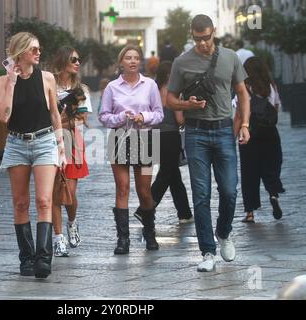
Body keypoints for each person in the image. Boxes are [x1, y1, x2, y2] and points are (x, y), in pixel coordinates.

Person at [166, 15, 251, 272]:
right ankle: (207, 252)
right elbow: (170, 99)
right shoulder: (181, 62)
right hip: (196, 133)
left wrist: (244, 124)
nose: (203, 43)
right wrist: (187, 105)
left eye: (207, 37)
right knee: (201, 195)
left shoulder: (230, 57)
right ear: (191, 35)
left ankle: (223, 232)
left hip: (224, 131)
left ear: (214, 32)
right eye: (197, 38)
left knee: (229, 191)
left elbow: (243, 93)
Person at [0, 32, 66, 278]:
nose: (38, 53)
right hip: (16, 143)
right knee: (21, 203)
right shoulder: (3, 81)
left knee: (44, 201)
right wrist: (12, 82)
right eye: (34, 49)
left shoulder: (47, 78)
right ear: (20, 52)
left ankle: (43, 259)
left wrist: (61, 147)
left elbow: (56, 115)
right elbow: (3, 116)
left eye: (39, 49)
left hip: (45, 142)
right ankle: (26, 259)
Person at [99, 45, 164, 254]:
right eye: (128, 58)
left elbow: (159, 114)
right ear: (121, 62)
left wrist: (143, 117)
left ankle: (150, 232)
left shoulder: (150, 85)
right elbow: (103, 116)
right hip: (119, 139)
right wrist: (120, 117)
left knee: (145, 191)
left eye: (136, 58)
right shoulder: (111, 87)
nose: (133, 61)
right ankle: (123, 240)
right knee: (122, 188)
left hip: (145, 139)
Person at [134, 61, 193, 225]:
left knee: (174, 176)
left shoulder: (150, 89)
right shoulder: (174, 92)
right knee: (166, 173)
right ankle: (144, 209)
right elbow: (180, 119)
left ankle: (185, 213)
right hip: (170, 135)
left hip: (151, 133)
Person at [50, 46, 92, 257]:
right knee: (54, 194)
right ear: (62, 61)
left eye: (78, 59)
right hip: (51, 141)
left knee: (70, 193)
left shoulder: (81, 89)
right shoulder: (49, 86)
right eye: (73, 59)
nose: (77, 62)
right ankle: (58, 238)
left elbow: (83, 118)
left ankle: (72, 222)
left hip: (73, 141)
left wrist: (70, 111)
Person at [239, 56, 285, 223]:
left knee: (249, 173)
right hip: (270, 134)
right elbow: (276, 109)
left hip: (249, 134)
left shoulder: (244, 87)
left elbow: (238, 112)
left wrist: (234, 133)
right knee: (271, 166)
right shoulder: (271, 87)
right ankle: (273, 194)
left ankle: (250, 213)